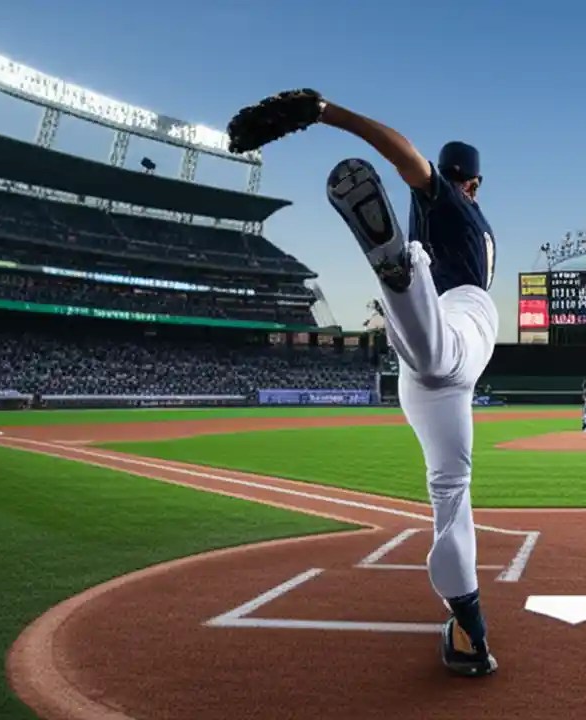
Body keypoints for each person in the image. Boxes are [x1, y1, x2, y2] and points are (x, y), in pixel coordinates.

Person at [226, 89, 498, 677]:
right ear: (476, 182)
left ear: (457, 184)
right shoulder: (470, 210)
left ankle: (401, 278)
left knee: (432, 392)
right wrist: (325, 113)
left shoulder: (448, 203)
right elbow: (408, 161)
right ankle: (402, 275)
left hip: (432, 340)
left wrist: (332, 114)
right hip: (464, 321)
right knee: (448, 451)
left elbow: (405, 157)